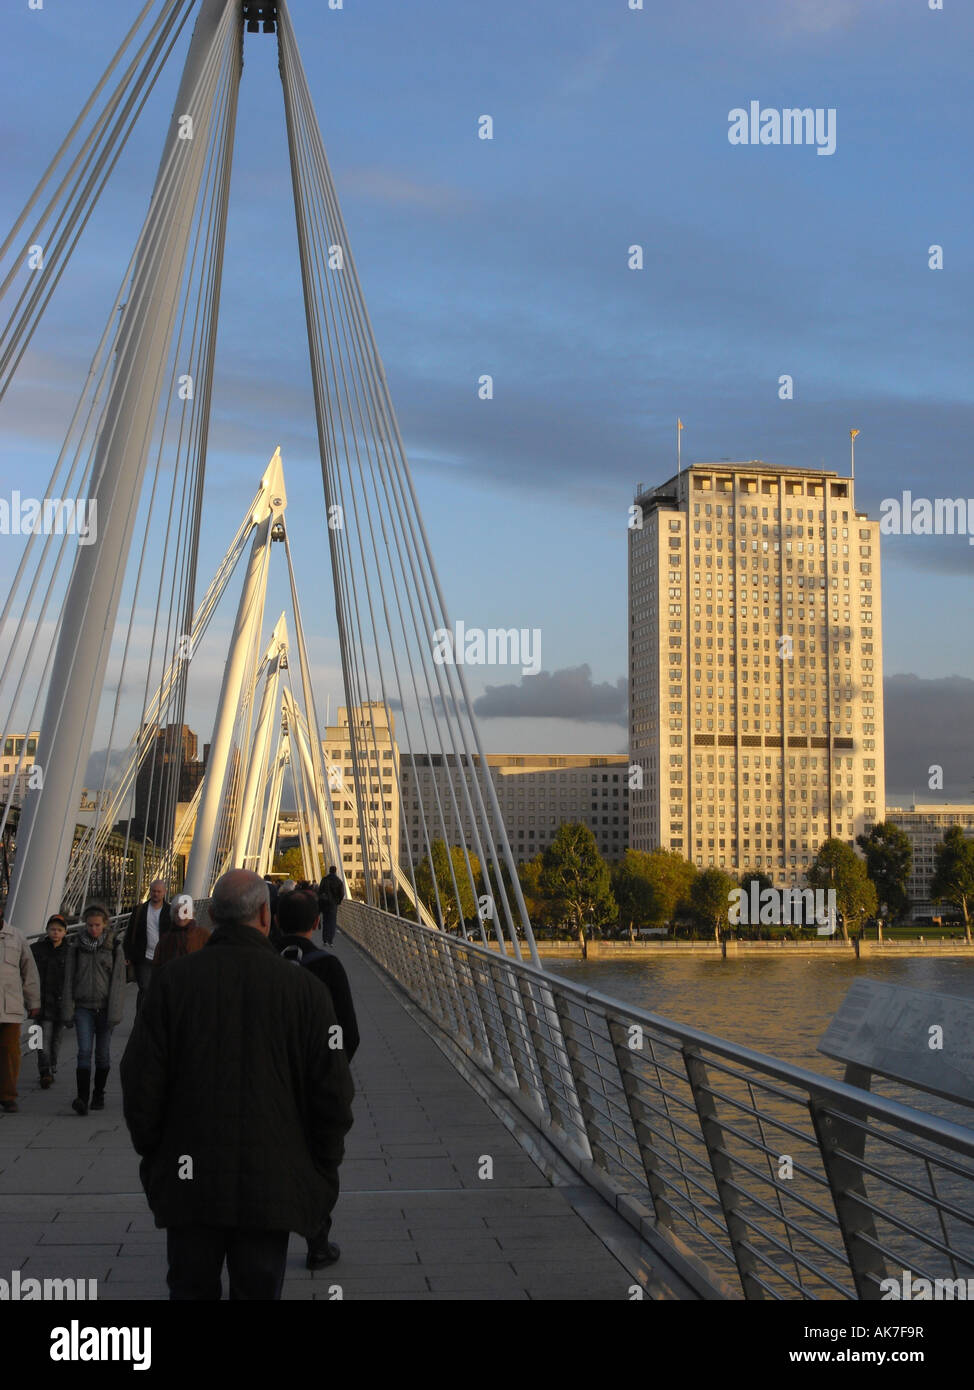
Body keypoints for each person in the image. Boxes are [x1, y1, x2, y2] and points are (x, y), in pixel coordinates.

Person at [120, 869, 354, 1301]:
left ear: (215, 916)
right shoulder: (306, 991)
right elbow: (334, 1094)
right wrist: (321, 1169)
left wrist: (155, 1156)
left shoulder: (173, 983)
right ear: (266, 915)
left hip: (187, 1183)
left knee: (189, 1289)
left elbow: (139, 1079)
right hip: (271, 1185)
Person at [61, 903, 126, 1115]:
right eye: (89, 925)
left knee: (103, 1055)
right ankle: (82, 1097)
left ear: (105, 925)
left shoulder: (114, 947)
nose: (93, 929)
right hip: (83, 1007)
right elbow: (68, 979)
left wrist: (115, 1012)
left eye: (97, 925)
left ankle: (98, 1093)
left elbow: (118, 981)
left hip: (105, 1007)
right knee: (84, 1052)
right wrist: (67, 1010)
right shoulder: (76, 947)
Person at [0, 904, 41, 1112]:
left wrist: (33, 1002)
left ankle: (8, 1095)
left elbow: (29, 971)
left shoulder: (16, 937)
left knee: (11, 1052)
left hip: (10, 1005)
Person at [30, 915, 69, 1088]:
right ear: (47, 930)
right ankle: (44, 1070)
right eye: (53, 929)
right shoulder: (36, 949)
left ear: (65, 932)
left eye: (59, 930)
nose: (55, 932)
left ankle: (52, 1065)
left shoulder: (70, 951)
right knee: (42, 1037)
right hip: (42, 1001)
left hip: (61, 1002)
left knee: (57, 1038)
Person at [124, 880, 170, 1011]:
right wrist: (127, 954)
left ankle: (153, 1020)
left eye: (158, 891)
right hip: (143, 957)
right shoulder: (140, 910)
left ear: (164, 892)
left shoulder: (170, 911)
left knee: (160, 991)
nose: (155, 894)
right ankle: (140, 1022)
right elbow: (130, 932)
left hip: (163, 958)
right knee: (145, 989)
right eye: (153, 891)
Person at [152, 894, 209, 973]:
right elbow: (157, 967)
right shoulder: (165, 939)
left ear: (192, 914)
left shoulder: (203, 935)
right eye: (177, 912)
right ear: (172, 915)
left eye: (185, 911)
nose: (181, 915)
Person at [316, 865, 345, 946]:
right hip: (333, 904)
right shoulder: (339, 881)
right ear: (335, 871)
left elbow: (320, 891)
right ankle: (330, 940)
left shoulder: (324, 880)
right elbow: (342, 893)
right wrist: (338, 901)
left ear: (329, 871)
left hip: (325, 903)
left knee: (325, 921)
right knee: (332, 922)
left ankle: (324, 939)